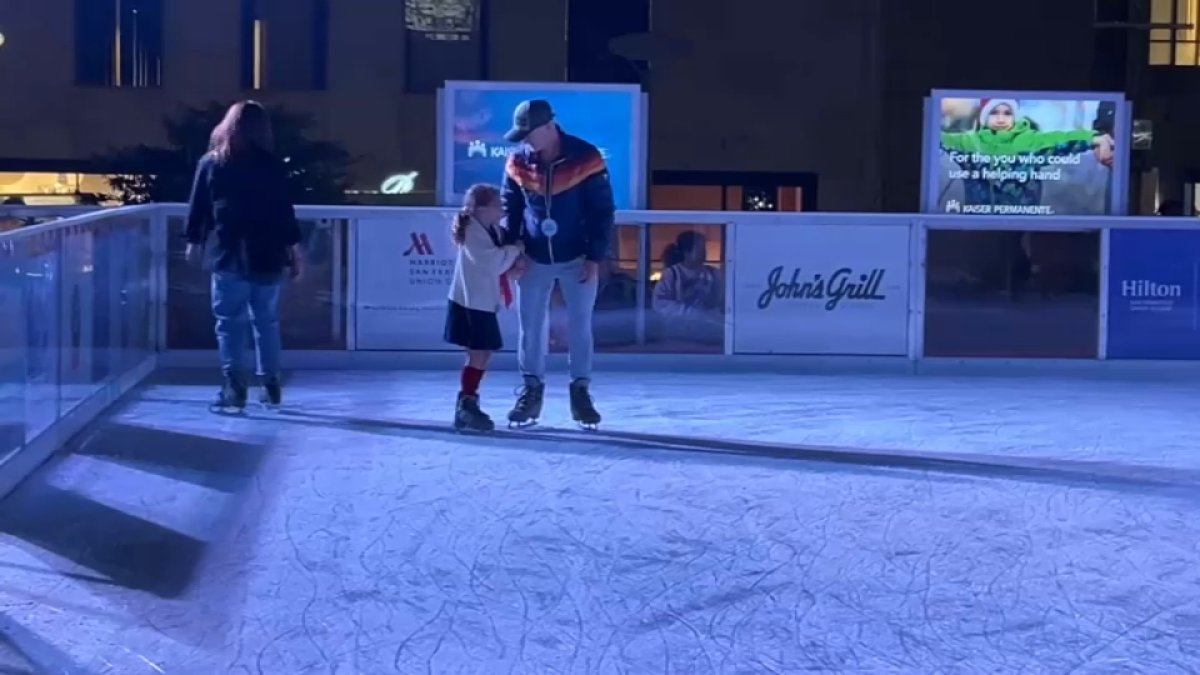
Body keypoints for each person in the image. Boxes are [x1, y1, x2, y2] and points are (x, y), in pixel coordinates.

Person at [500, 99, 615, 428]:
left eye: (528, 133)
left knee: (580, 326)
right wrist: (513, 250)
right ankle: (531, 391)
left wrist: (595, 256)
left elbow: (602, 210)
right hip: (533, 257)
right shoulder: (517, 160)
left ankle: (580, 392)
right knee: (531, 328)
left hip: (577, 256)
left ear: (549, 127)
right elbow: (511, 206)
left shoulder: (586, 156)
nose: (524, 140)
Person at [184, 100, 304, 410]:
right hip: (268, 255)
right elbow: (283, 212)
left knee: (229, 322)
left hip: (229, 255)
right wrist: (294, 250)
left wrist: (194, 241)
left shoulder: (212, 164)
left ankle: (234, 388)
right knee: (266, 321)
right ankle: (271, 384)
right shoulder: (271, 165)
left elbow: (200, 207)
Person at [444, 183, 524, 432]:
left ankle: (467, 402)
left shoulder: (490, 230)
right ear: (481, 208)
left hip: (481, 302)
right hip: (470, 303)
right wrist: (515, 250)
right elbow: (492, 263)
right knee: (479, 352)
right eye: (497, 205)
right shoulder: (472, 231)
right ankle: (467, 403)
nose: (501, 209)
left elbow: (496, 265)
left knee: (483, 352)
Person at [652, 231, 723, 344]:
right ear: (687, 252)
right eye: (700, 249)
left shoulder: (713, 273)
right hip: (677, 336)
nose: (704, 253)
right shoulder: (672, 274)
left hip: (708, 336)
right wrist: (692, 312)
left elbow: (721, 302)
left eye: (704, 249)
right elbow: (660, 303)